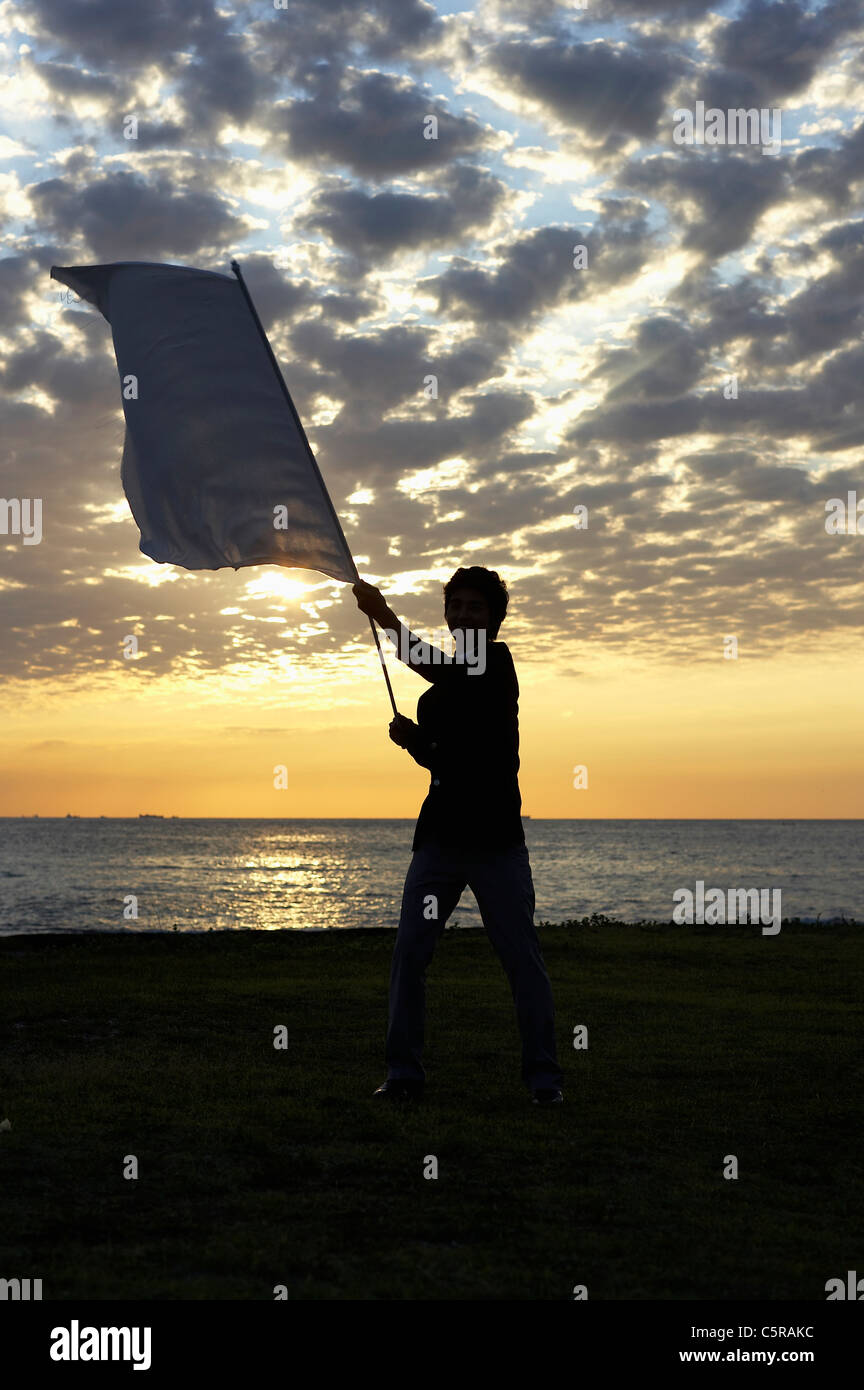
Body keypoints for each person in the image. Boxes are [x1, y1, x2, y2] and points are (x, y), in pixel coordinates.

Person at [353, 566, 564, 1106]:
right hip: (440, 841)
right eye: (458, 605)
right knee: (410, 954)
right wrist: (415, 743)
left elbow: (461, 739)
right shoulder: (453, 673)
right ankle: (403, 1075)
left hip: (495, 843)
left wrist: (383, 616)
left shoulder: (496, 663)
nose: (465, 614)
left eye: (476, 607)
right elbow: (448, 756)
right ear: (448, 613)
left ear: (494, 618)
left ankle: (543, 1080)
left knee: (521, 959)